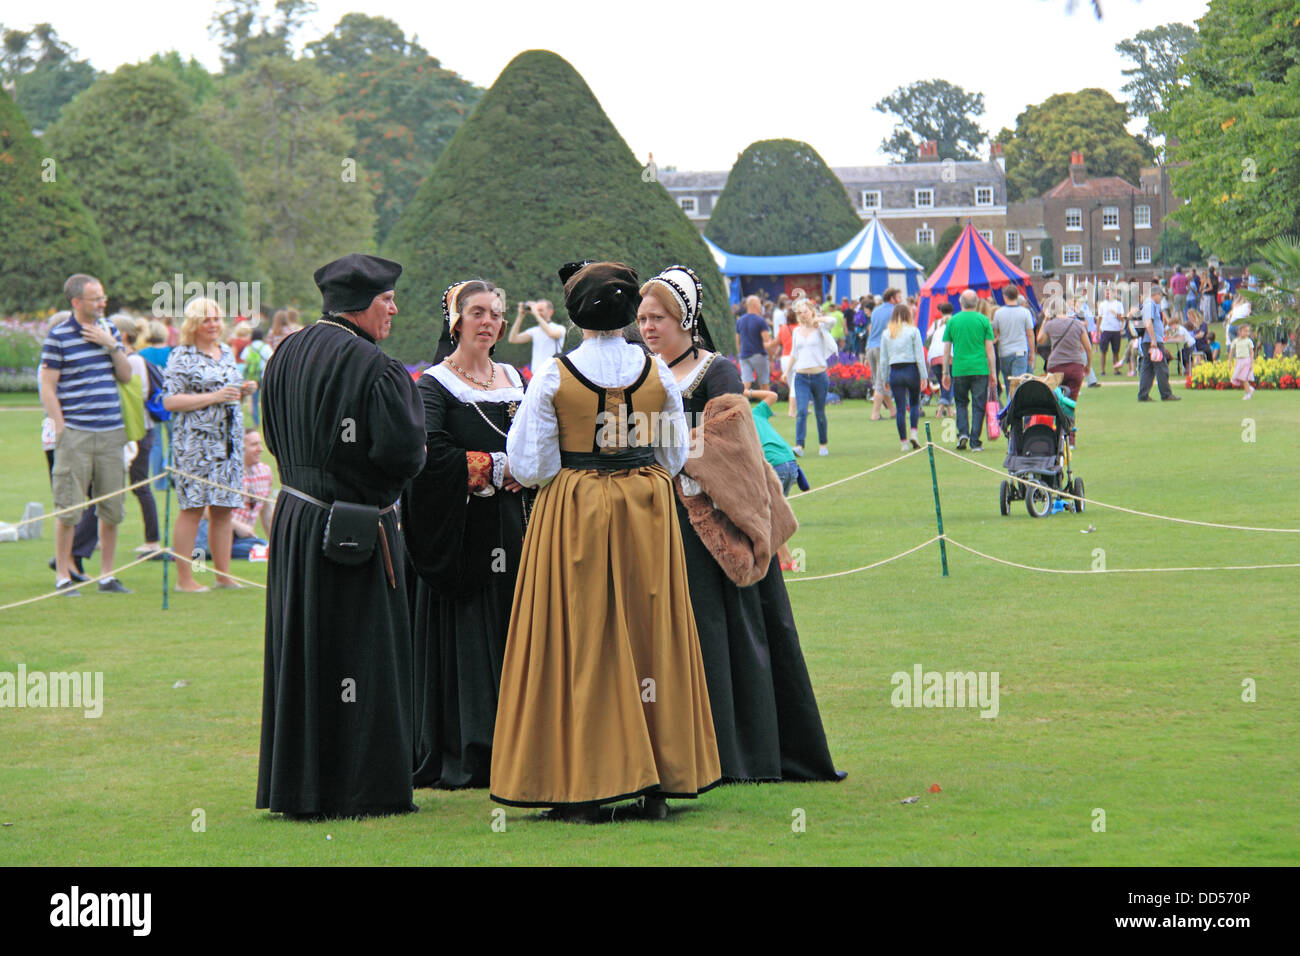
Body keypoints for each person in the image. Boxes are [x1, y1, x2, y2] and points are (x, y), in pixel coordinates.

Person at [491, 261, 720, 820]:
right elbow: (672, 456)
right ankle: (657, 783)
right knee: (650, 632)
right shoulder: (658, 373)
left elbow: (530, 464)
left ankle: (585, 785)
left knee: (580, 634)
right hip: (645, 509)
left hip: (576, 508)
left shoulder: (553, 375)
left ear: (576, 314)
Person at [637, 264, 844, 786]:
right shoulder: (641, 373)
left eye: (657, 316)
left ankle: (738, 755)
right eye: (641, 318)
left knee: (726, 632)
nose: (647, 327)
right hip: (657, 523)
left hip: (714, 526)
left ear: (684, 319)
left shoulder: (716, 371)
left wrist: (671, 450)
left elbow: (731, 446)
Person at [257, 252, 426, 820]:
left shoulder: (284, 353)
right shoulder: (376, 368)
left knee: (302, 651)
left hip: (295, 518)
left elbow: (273, 434)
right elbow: (403, 453)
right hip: (354, 526)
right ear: (363, 306)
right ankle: (363, 787)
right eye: (387, 301)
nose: (394, 310)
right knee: (363, 656)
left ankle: (300, 787)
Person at [405, 279, 531, 790]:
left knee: (518, 628)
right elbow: (427, 456)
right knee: (472, 631)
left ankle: (523, 742)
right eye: (476, 311)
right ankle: (471, 744)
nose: (488, 321)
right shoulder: (432, 384)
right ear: (455, 320)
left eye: (496, 313)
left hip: (521, 527)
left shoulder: (515, 376)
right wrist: (500, 468)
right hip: (463, 533)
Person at [39, 274, 134, 596]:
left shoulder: (110, 331)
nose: (102, 303)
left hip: (111, 433)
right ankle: (63, 577)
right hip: (76, 434)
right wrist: (60, 425)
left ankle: (107, 576)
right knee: (68, 508)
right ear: (76, 302)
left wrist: (112, 346)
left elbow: (126, 375)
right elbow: (47, 386)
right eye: (95, 298)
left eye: (103, 298)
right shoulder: (59, 336)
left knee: (112, 508)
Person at [163, 297, 256, 591]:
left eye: (216, 319)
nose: (214, 325)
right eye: (206, 320)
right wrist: (214, 397)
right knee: (193, 508)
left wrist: (243, 390)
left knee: (224, 508)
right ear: (194, 325)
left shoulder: (226, 352)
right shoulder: (182, 355)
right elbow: (170, 400)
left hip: (228, 444)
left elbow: (227, 391)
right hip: (195, 444)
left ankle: (223, 576)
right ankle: (185, 578)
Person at [112, 314, 161, 557]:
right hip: (135, 430)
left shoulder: (133, 361)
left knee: (140, 485)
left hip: (139, 431)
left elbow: (134, 398)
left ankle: (152, 541)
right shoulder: (133, 359)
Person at [741, 385, 799, 571]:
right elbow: (772, 395)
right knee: (772, 514)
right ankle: (786, 560)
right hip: (791, 462)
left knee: (769, 516)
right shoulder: (756, 412)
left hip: (775, 465)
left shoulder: (738, 422)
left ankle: (786, 561)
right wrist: (748, 393)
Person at [194, 425, 274, 560]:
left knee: (261, 546)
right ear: (240, 447)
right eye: (254, 445)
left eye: (260, 444)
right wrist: (237, 525)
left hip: (242, 538)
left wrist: (275, 543)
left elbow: (266, 514)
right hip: (216, 529)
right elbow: (206, 512)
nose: (260, 449)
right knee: (257, 547)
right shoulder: (226, 472)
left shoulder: (265, 472)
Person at [941, 289, 997, 451]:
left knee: (960, 403)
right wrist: (993, 372)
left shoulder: (952, 321)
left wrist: (945, 372)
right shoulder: (984, 320)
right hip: (980, 367)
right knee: (979, 405)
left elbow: (946, 350)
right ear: (977, 303)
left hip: (960, 368)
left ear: (960, 303)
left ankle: (963, 432)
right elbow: (989, 349)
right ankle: (975, 441)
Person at [787, 297, 836, 457]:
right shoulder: (796, 331)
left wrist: (816, 319)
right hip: (801, 376)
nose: (803, 315)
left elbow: (832, 320)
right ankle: (799, 446)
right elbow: (794, 353)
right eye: (800, 312)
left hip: (819, 376)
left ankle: (823, 444)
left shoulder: (820, 327)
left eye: (805, 311)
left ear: (811, 311)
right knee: (801, 411)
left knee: (819, 412)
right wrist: (786, 371)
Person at [880, 302, 929, 452]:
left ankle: (903, 443)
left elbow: (884, 359)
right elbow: (919, 356)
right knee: (914, 404)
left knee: (900, 408)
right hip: (911, 369)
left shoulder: (887, 333)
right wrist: (924, 376)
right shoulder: (913, 331)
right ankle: (914, 431)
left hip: (895, 371)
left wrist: (884, 378)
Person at [1037, 300, 1093, 400]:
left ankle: (1059, 415)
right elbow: (1088, 348)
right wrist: (1088, 365)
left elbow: (1040, 340)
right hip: (1075, 364)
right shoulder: (1078, 324)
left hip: (1056, 365)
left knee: (1056, 400)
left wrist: (1045, 320)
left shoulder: (1050, 325)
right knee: (1071, 401)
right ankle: (1069, 416)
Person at [1137, 286, 1179, 402]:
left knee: (1148, 369)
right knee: (1161, 367)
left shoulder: (1150, 304)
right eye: (1161, 295)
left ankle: (1143, 395)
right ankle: (1166, 394)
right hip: (1152, 342)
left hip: (1149, 341)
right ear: (1156, 294)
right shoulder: (1150, 304)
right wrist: (1154, 340)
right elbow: (1148, 322)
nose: (1161, 298)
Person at [991, 286, 1035, 394]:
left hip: (1004, 352)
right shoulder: (1025, 312)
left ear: (1005, 297)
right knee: (1018, 383)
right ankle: (1016, 407)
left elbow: (995, 333)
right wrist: (1032, 352)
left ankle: (1010, 406)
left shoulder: (998, 313)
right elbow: (1030, 334)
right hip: (1020, 351)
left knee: (1008, 383)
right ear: (1017, 296)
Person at [507, 297, 565, 376]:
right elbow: (513, 339)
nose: (537, 312)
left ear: (550, 312)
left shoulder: (559, 328)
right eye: (537, 310)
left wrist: (536, 315)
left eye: (541, 310)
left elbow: (551, 334)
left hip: (553, 374)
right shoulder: (535, 330)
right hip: (536, 374)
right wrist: (520, 316)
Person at [866, 289, 899, 421]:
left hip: (871, 347)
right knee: (881, 382)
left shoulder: (876, 310)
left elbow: (871, 328)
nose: (900, 299)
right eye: (898, 297)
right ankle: (875, 414)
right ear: (892, 299)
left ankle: (892, 411)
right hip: (883, 347)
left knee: (880, 381)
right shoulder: (895, 310)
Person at [735, 295, 773, 386]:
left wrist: (740, 354)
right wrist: (771, 359)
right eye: (760, 304)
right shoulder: (761, 321)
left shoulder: (739, 321)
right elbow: (767, 342)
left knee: (746, 383)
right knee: (764, 383)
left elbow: (738, 342)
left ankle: (742, 400)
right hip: (759, 354)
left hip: (744, 355)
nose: (761, 306)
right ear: (755, 305)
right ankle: (766, 400)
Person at [925, 301, 954, 417]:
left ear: (940, 311)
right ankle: (940, 409)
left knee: (943, 385)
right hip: (949, 356)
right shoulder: (953, 323)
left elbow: (928, 337)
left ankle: (949, 411)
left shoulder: (936, 324)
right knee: (948, 383)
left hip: (934, 357)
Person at [240, 328, 273, 426]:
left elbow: (243, 359)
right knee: (265, 400)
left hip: (252, 377)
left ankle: (256, 422)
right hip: (264, 376)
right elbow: (271, 358)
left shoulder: (249, 348)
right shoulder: (266, 347)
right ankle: (267, 421)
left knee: (254, 401)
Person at [1097, 287, 1125, 374]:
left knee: (1116, 351)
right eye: (1106, 293)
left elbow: (1122, 319)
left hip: (1115, 330)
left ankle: (1116, 370)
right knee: (1103, 351)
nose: (1107, 295)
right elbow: (1099, 318)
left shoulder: (1119, 304)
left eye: (1108, 293)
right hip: (1105, 330)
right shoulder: (1102, 304)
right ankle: (1102, 370)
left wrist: (1115, 313)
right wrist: (1098, 331)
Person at [1229, 323, 1256, 399]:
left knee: (1244, 378)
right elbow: (1231, 352)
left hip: (1246, 361)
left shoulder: (1249, 341)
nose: (1247, 333)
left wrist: (1251, 363)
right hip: (1239, 361)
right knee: (1240, 378)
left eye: (1248, 331)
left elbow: (1251, 352)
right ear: (1239, 332)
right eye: (1245, 331)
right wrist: (1230, 362)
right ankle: (1250, 389)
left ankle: (1248, 394)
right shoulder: (1236, 341)